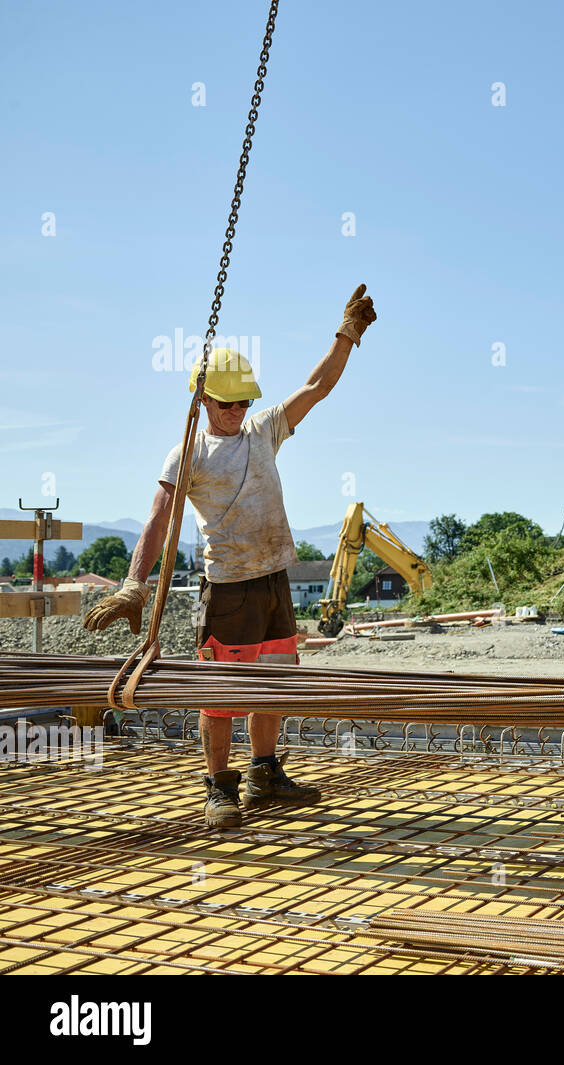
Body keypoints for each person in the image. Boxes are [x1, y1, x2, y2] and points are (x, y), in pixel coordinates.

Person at [83, 285, 377, 828]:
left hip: (274, 581)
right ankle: (219, 785)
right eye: (227, 402)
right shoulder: (188, 451)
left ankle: (265, 772)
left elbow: (317, 387)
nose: (238, 410)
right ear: (202, 399)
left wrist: (347, 335)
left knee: (274, 682)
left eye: (243, 401)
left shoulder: (263, 430)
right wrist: (133, 583)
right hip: (229, 588)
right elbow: (160, 517)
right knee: (219, 692)